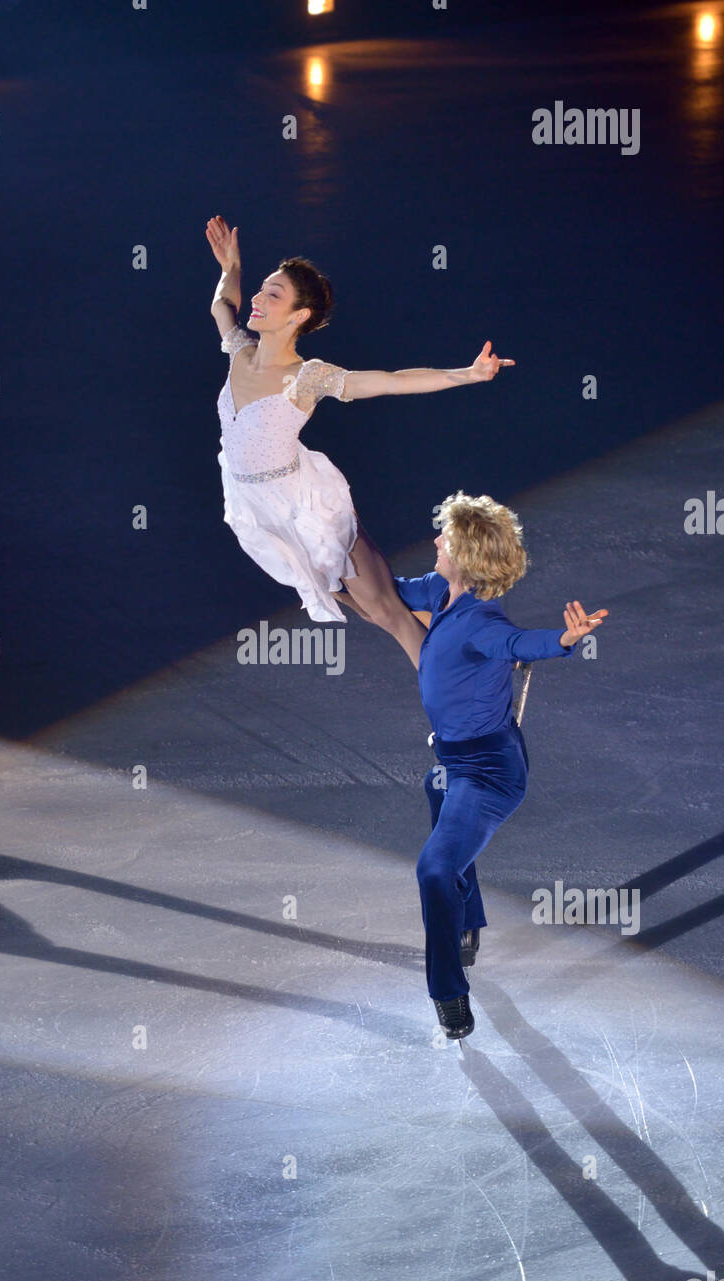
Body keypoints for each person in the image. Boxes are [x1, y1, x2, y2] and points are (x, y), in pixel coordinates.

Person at [206, 213, 516, 668]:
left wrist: (466, 374)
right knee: (366, 607)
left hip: (306, 506)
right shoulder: (240, 350)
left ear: (299, 315)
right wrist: (230, 267)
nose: (256, 297)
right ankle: (462, 643)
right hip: (257, 507)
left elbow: (391, 381)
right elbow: (221, 304)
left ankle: (457, 711)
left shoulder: (306, 377)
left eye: (272, 294)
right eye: (261, 288)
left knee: (388, 612)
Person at [394, 491, 608, 1040]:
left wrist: (565, 639)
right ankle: (469, 922)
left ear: (466, 557)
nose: (437, 540)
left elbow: (519, 642)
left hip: (488, 773)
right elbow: (390, 591)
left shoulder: (483, 623)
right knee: (437, 797)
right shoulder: (441, 591)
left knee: (436, 869)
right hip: (450, 763)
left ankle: (448, 991)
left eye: (446, 538)